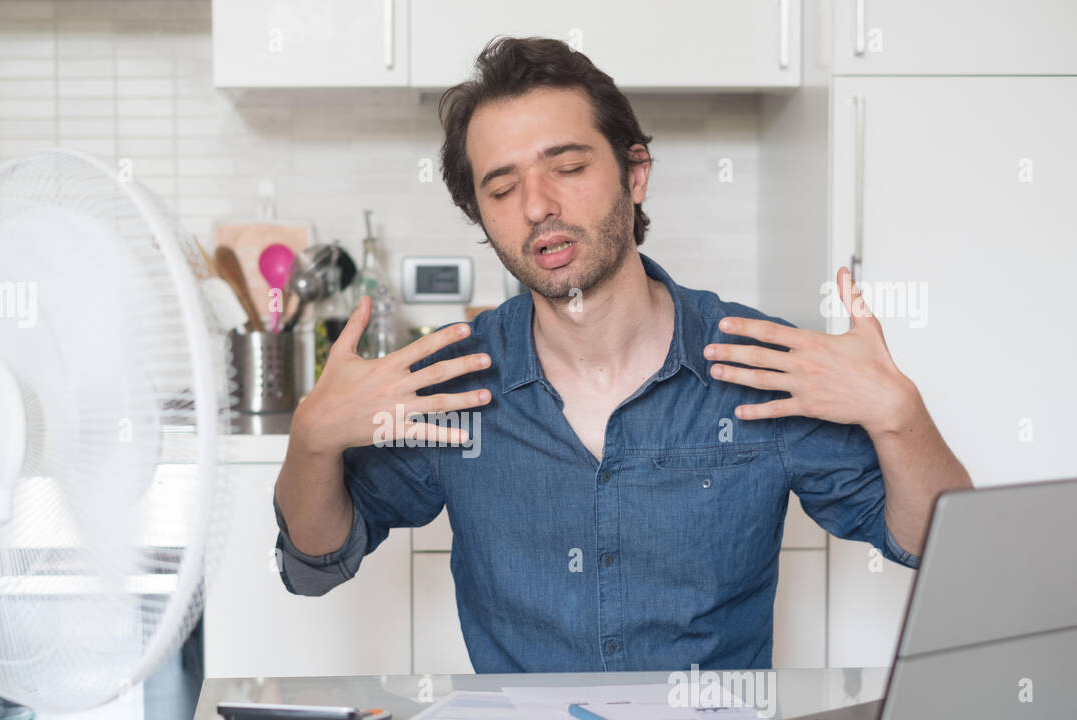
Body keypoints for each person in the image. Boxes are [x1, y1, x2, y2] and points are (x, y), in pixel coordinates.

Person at [272, 36, 971, 672]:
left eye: (567, 166)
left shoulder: (757, 364)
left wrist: (899, 416)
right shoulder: (454, 382)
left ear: (635, 174)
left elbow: (943, 548)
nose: (538, 205)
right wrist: (311, 441)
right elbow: (314, 566)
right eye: (503, 187)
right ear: (480, 217)